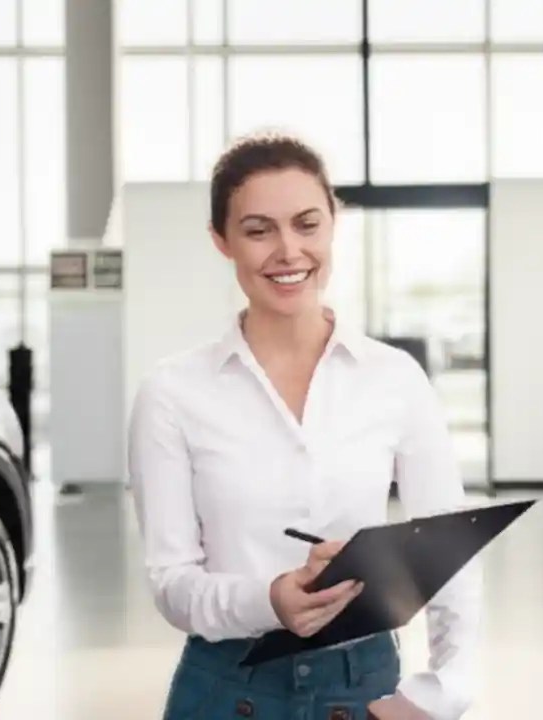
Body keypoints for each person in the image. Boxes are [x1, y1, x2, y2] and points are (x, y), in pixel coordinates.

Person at [128, 132, 481, 720]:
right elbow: (172, 583)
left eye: (307, 224)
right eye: (258, 230)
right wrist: (268, 599)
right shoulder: (172, 393)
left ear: (333, 224)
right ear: (222, 241)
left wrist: (438, 696)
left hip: (364, 686)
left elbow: (451, 553)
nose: (288, 251)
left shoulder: (394, 379)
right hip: (225, 690)